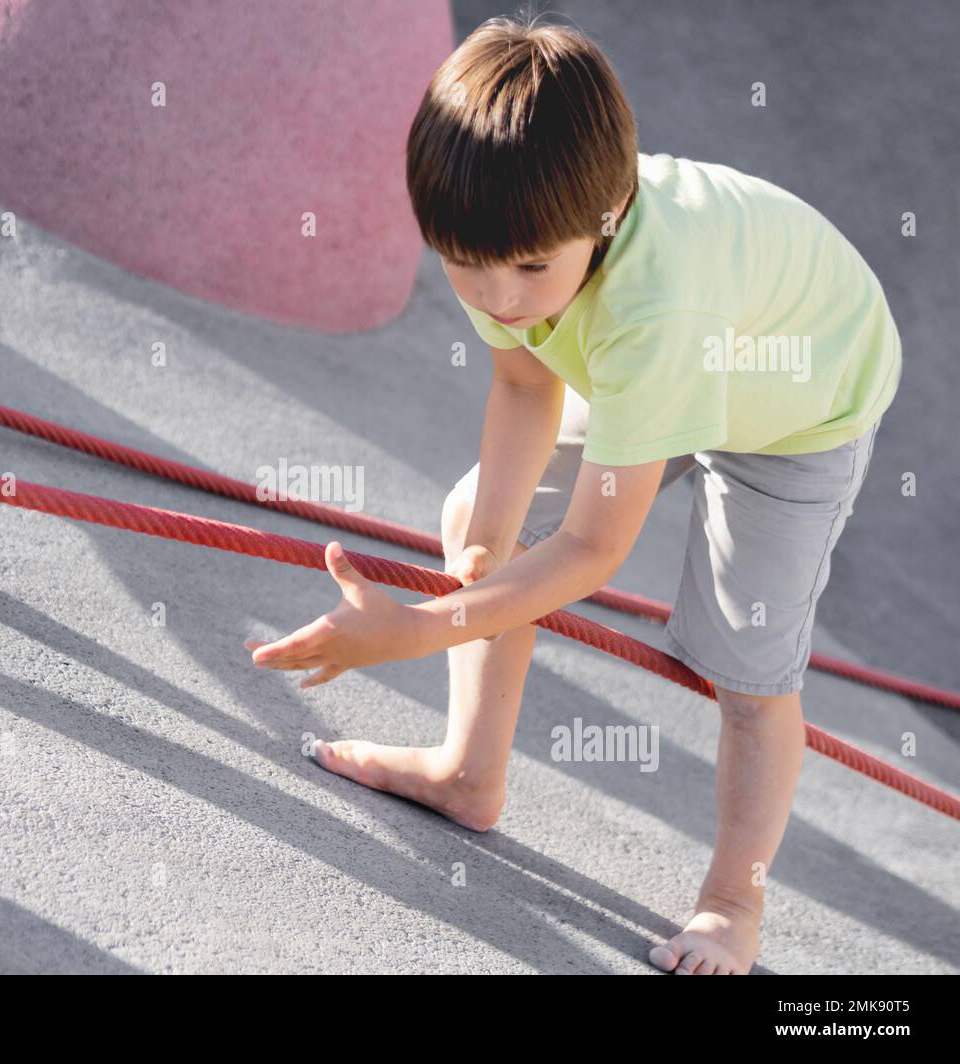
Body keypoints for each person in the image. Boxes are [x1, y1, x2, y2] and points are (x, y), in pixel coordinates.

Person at [245, 14, 900, 975]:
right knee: (480, 520)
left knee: (745, 664)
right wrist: (488, 549)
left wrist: (422, 627)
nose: (500, 300)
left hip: (798, 411)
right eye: (465, 268)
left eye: (528, 271)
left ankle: (731, 904)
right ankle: (470, 775)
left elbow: (596, 550)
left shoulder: (654, 312)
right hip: (672, 356)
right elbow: (523, 382)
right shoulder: (516, 240)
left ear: (606, 219)